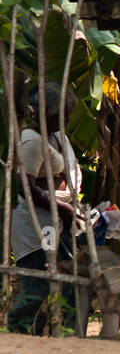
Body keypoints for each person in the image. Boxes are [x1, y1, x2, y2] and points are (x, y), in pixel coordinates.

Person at [8, 84, 81, 334]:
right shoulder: (32, 141)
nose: (67, 119)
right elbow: (25, 188)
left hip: (56, 220)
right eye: (62, 113)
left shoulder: (56, 136)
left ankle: (52, 334)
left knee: (67, 277)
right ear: (44, 113)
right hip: (37, 224)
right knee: (38, 283)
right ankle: (19, 332)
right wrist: (60, 207)